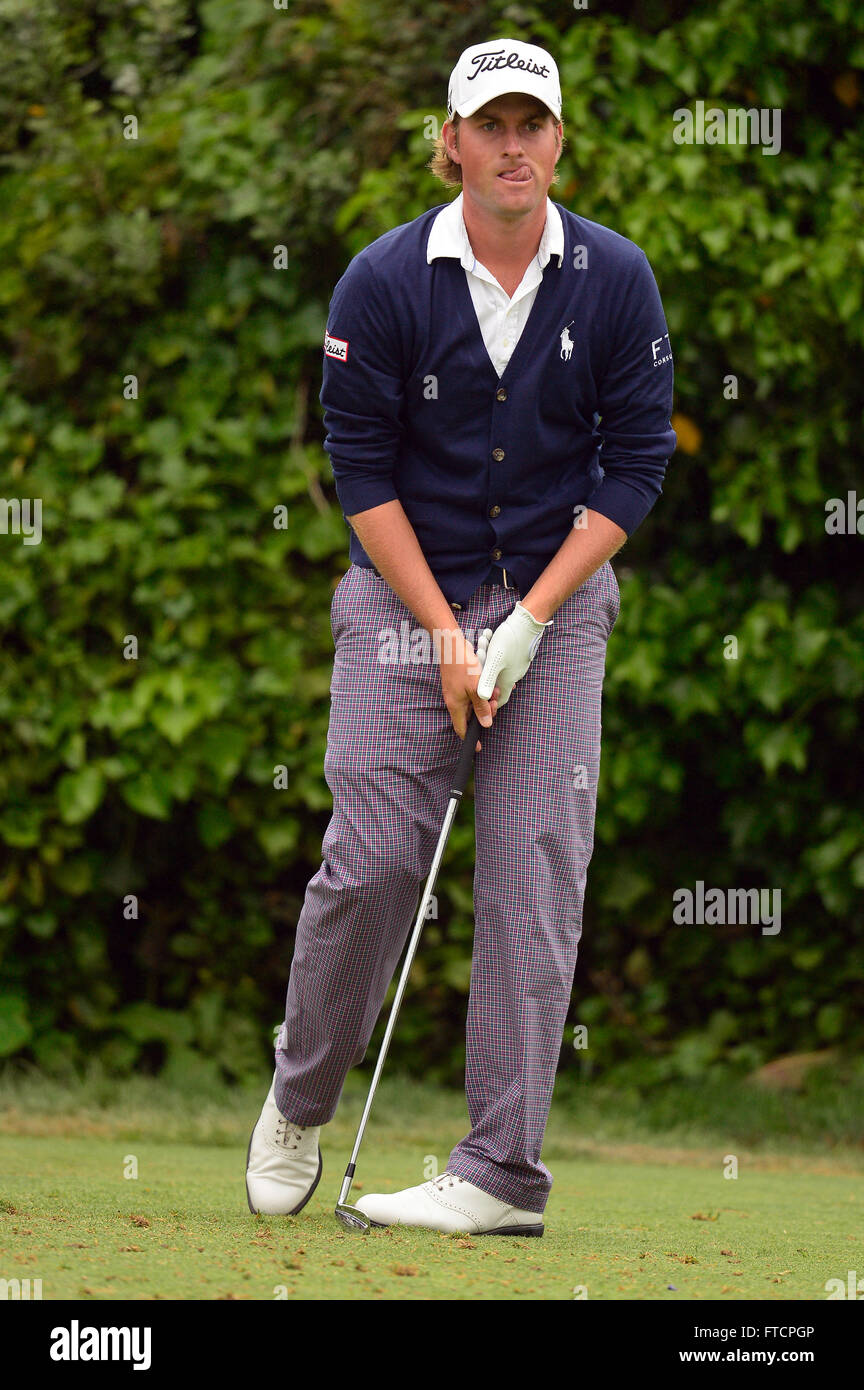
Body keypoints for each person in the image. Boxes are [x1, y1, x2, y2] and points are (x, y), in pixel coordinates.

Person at [245, 36, 675, 1235]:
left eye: (533, 123)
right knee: (376, 860)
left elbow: (636, 464)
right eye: (490, 124)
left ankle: (498, 1174)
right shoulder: (382, 281)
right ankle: (301, 1095)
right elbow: (360, 471)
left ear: (559, 140)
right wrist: (443, 631)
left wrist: (534, 616)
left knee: (538, 862)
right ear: (451, 141)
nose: (514, 144)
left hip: (559, 590)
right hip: (400, 596)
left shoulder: (614, 276)